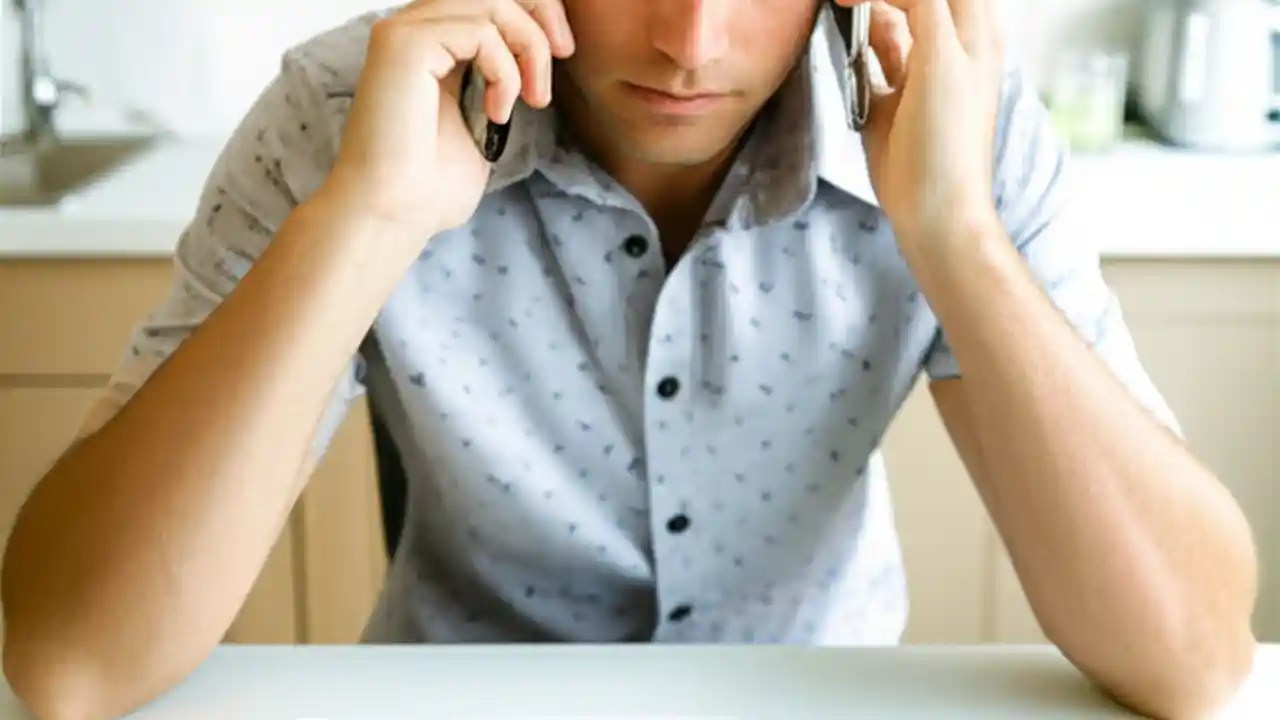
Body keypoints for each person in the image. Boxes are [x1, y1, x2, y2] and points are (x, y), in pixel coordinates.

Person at [2, 0, 1258, 718]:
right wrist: (366, 217)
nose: (690, 42)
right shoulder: (341, 120)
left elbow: (1193, 661)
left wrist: (955, 234)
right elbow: (68, 660)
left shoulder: (953, 123)